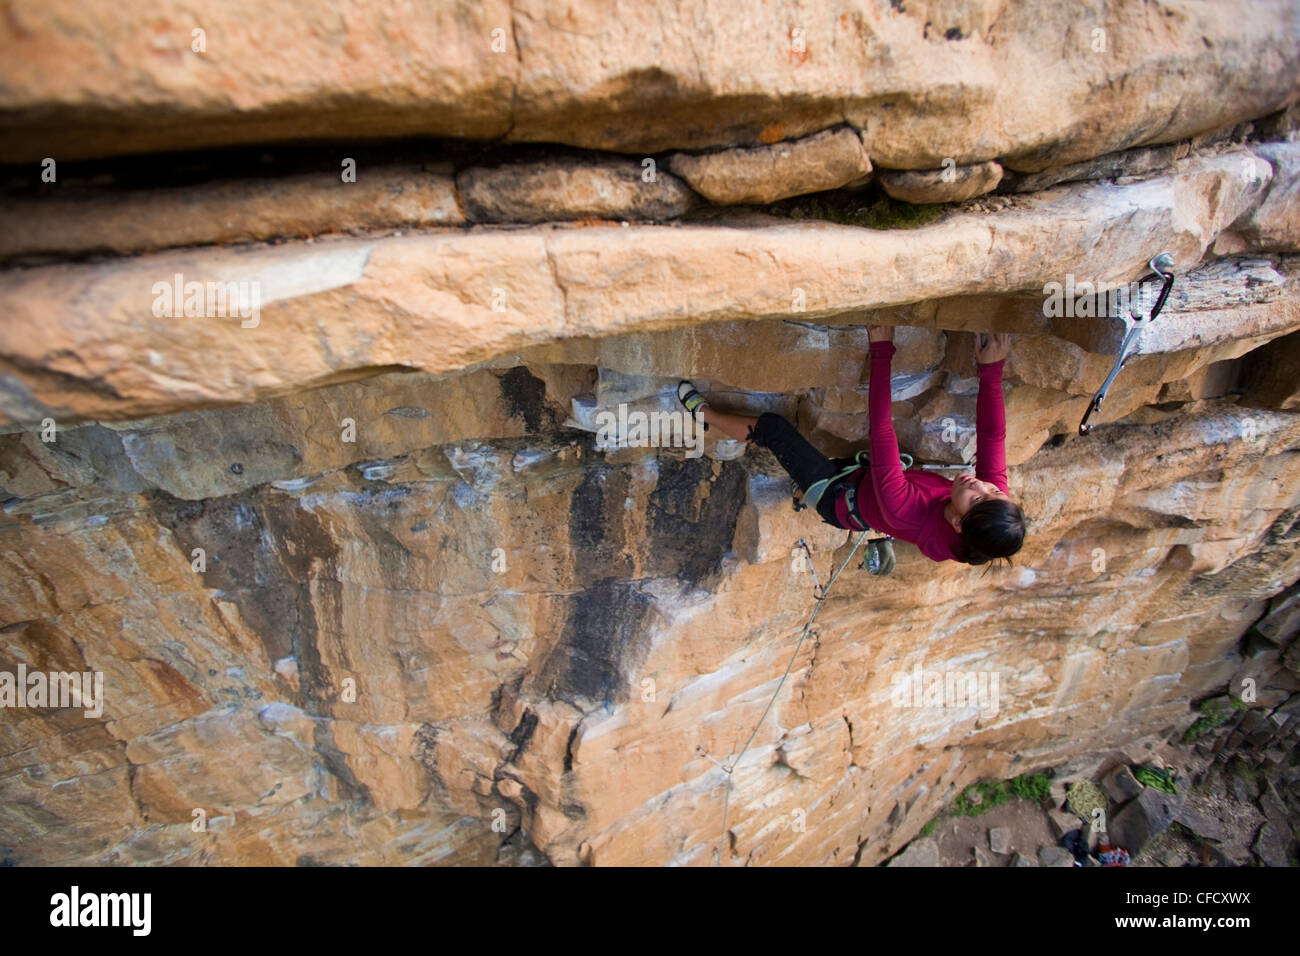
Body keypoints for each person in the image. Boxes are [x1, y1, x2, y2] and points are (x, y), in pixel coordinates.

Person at [677, 326, 1026, 566]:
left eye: (978, 497)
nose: (980, 483)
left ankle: (704, 414)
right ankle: (801, 491)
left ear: (959, 525)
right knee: (820, 468)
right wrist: (992, 369)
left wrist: (881, 350)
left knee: (774, 430)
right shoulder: (989, 512)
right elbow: (993, 437)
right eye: (993, 489)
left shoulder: (906, 509)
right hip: (863, 481)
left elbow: (881, 430)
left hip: (835, 494)